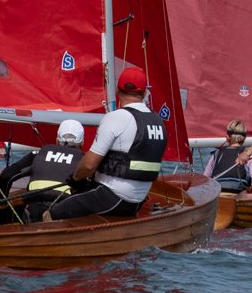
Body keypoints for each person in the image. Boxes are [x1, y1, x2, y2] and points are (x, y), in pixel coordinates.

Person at [45, 66, 166, 221]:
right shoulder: (158, 122)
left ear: (118, 90)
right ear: (144, 93)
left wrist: (75, 179)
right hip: (137, 201)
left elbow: (89, 165)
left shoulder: (116, 117)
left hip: (114, 197)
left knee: (53, 212)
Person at [0, 120, 88, 224]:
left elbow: (6, 175)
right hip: (65, 212)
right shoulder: (86, 162)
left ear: (57, 140)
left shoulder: (39, 153)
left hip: (34, 209)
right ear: (82, 142)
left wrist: (2, 203)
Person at [202, 120, 252, 193]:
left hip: (219, 192)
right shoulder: (248, 155)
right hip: (238, 193)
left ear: (227, 137)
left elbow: (205, 179)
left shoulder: (216, 154)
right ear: (244, 138)